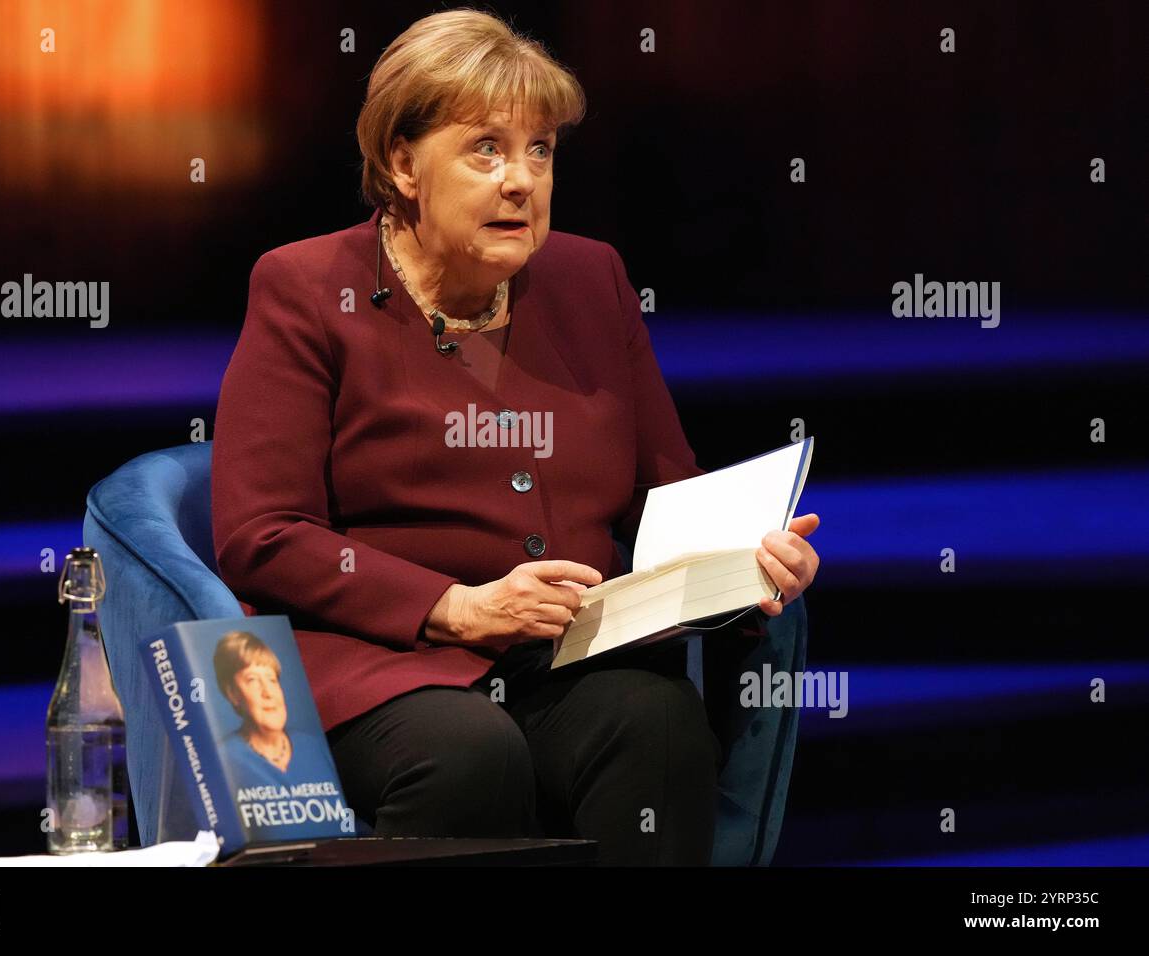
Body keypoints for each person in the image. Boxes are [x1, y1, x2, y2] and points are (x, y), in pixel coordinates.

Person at [211, 8, 820, 865]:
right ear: (402, 163)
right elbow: (260, 533)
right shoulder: (307, 289)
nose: (521, 181)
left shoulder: (588, 277)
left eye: (539, 150)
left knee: (658, 726)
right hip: (380, 660)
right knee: (469, 753)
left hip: (561, 655)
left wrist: (749, 559)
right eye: (486, 149)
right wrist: (453, 606)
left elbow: (666, 491)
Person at [212, 631, 332, 791]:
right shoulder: (225, 758)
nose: (268, 692)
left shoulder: (311, 746)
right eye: (252, 680)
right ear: (232, 694)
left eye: (272, 680)